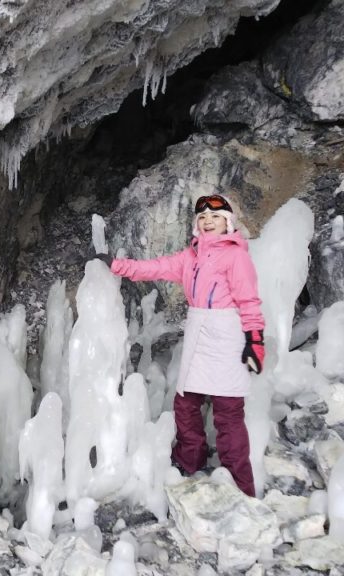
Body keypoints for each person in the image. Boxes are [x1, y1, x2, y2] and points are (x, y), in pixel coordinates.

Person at [104, 194, 265, 497]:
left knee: (228, 411)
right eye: (202, 218)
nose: (208, 222)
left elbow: (249, 301)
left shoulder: (236, 257)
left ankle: (242, 487)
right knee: (186, 402)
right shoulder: (190, 257)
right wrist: (116, 265)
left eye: (215, 217)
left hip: (226, 333)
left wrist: (254, 341)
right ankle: (191, 459)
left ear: (227, 222)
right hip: (198, 331)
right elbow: (154, 267)